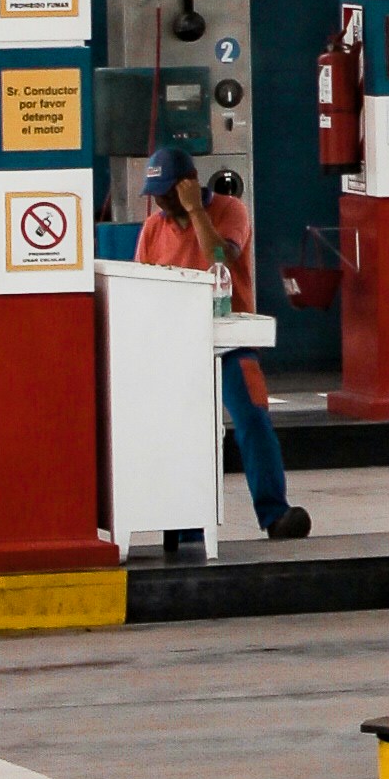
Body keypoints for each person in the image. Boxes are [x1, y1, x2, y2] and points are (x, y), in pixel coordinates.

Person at [134, 141, 310, 543]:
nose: (161, 203)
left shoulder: (230, 211)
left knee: (252, 418)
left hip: (230, 342)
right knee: (180, 431)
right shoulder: (153, 228)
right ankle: (185, 524)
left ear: (188, 185)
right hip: (177, 345)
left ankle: (274, 512)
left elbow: (220, 256)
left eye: (168, 193)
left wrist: (195, 210)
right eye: (156, 196)